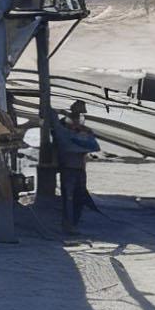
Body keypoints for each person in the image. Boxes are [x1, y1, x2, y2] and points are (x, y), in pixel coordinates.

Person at [53, 100, 99, 234]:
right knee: (68, 197)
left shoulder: (83, 131)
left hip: (79, 168)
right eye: (76, 115)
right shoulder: (63, 129)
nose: (78, 118)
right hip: (68, 167)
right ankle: (68, 224)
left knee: (79, 197)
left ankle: (73, 223)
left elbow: (92, 144)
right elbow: (61, 139)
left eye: (80, 115)